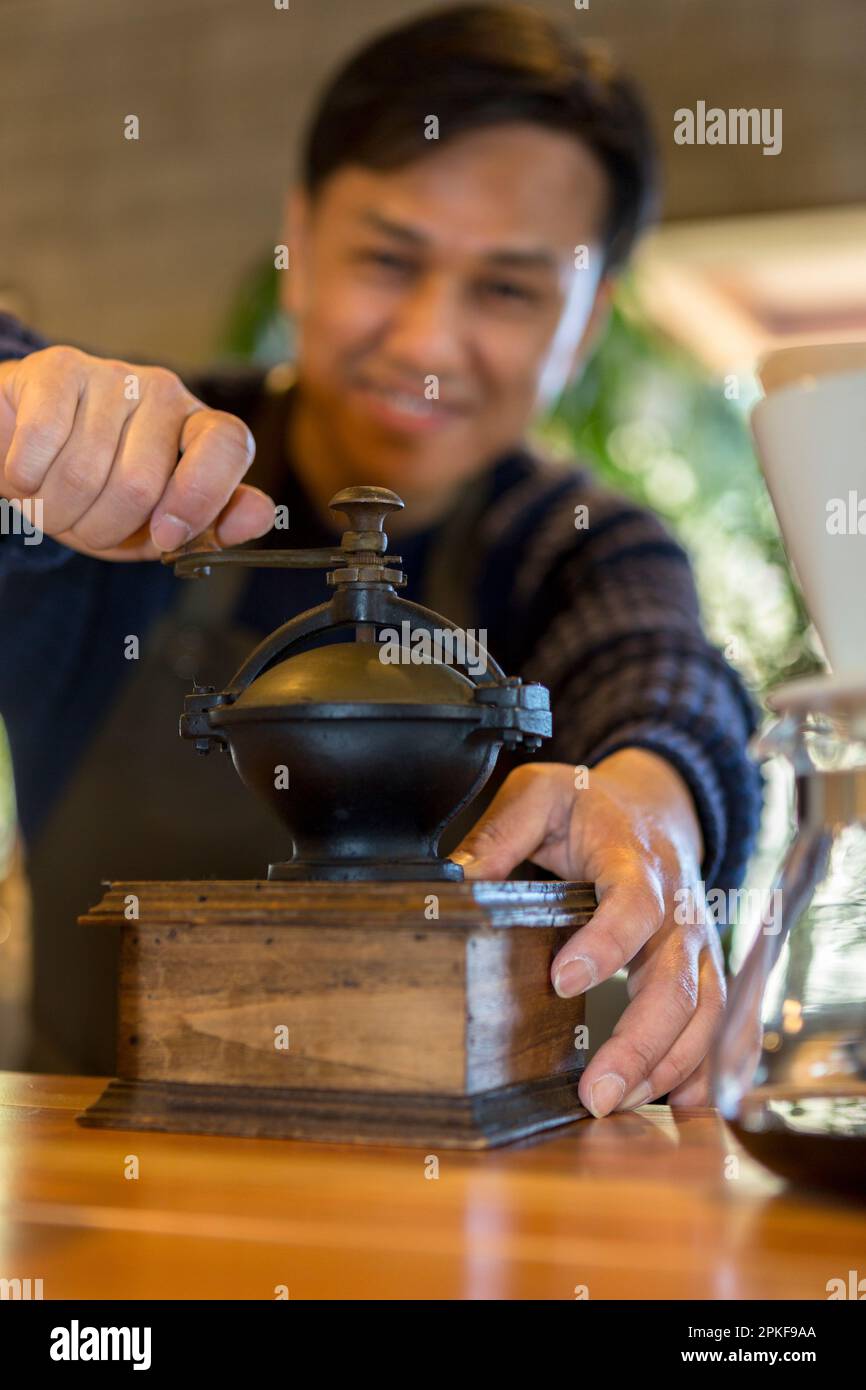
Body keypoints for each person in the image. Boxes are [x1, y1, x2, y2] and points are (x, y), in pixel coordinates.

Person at [0, 3, 763, 1115]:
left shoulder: (576, 546)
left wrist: (646, 804)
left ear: (585, 322)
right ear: (297, 249)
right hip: (100, 1199)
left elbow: (658, 674)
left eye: (505, 289)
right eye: (386, 258)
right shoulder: (129, 486)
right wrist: (21, 411)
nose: (424, 342)